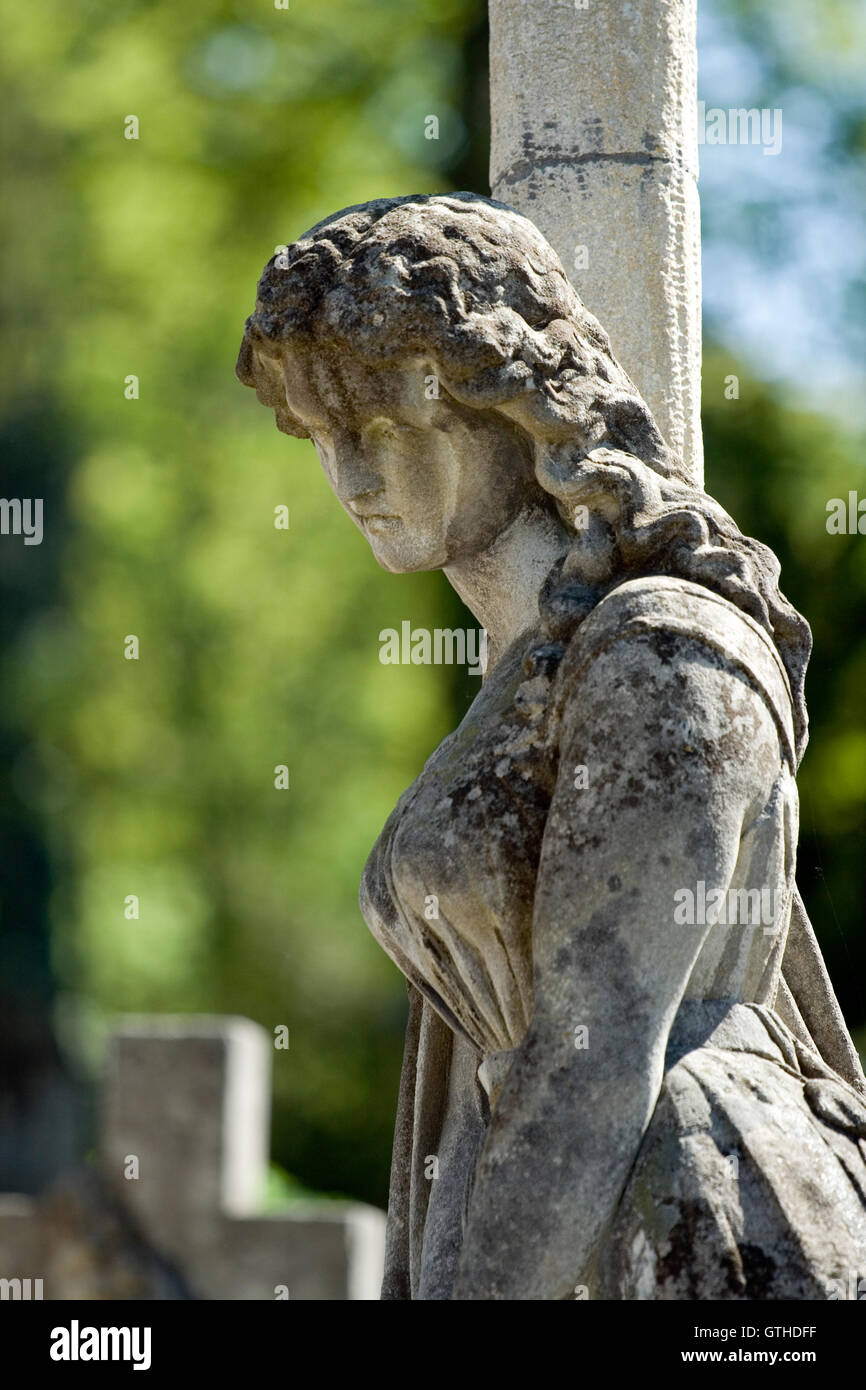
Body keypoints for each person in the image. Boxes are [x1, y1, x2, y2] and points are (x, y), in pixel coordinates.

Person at [237, 193, 866, 1300]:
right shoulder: (522, 679)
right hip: (526, 1207)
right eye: (324, 436)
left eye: (384, 426)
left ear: (513, 405)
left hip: (688, 1216)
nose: (350, 481)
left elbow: (592, 1057)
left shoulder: (658, 650)